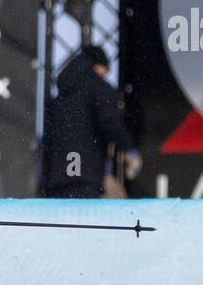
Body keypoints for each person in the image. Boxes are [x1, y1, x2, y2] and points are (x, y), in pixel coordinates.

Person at [39, 44, 141, 198]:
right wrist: (128, 148)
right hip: (86, 176)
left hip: (56, 178)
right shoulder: (100, 89)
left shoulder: (61, 95)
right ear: (99, 67)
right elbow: (109, 123)